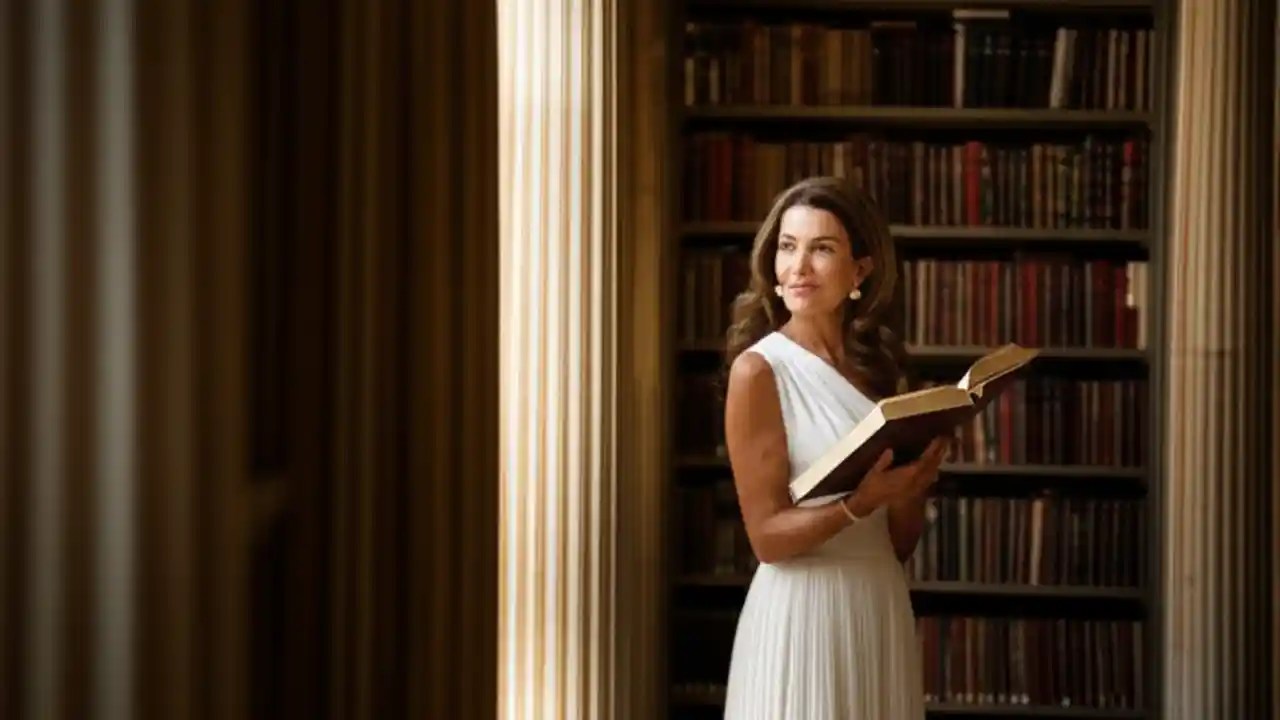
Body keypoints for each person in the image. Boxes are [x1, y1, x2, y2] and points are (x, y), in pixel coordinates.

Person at [721, 175, 948, 719]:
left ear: (860, 271)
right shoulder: (759, 371)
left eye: (821, 249)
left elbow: (897, 545)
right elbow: (766, 540)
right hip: (802, 614)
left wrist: (912, 487)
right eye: (788, 246)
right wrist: (857, 503)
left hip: (876, 604)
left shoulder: (880, 372)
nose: (798, 267)